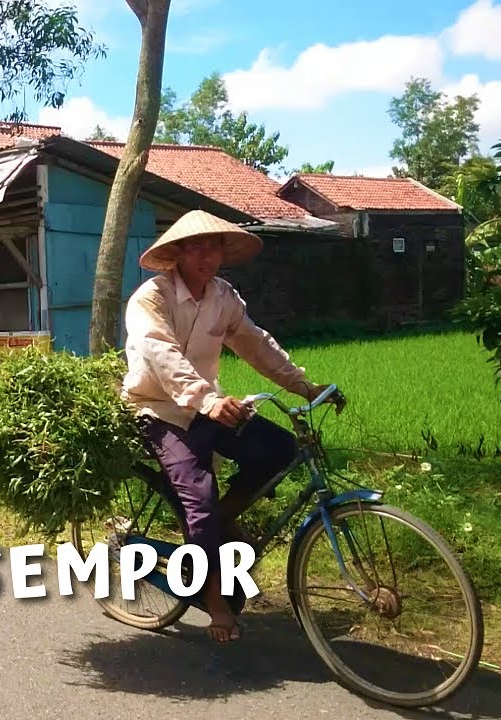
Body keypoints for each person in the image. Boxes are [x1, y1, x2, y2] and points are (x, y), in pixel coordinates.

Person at [122, 209, 342, 644]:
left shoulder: (224, 296)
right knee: (198, 495)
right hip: (159, 409)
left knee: (278, 450)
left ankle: (222, 520)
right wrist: (206, 399)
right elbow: (160, 353)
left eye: (215, 245)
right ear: (178, 253)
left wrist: (303, 385)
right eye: (197, 246)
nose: (207, 255)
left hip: (209, 402)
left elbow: (255, 343)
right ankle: (215, 599)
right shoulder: (151, 298)